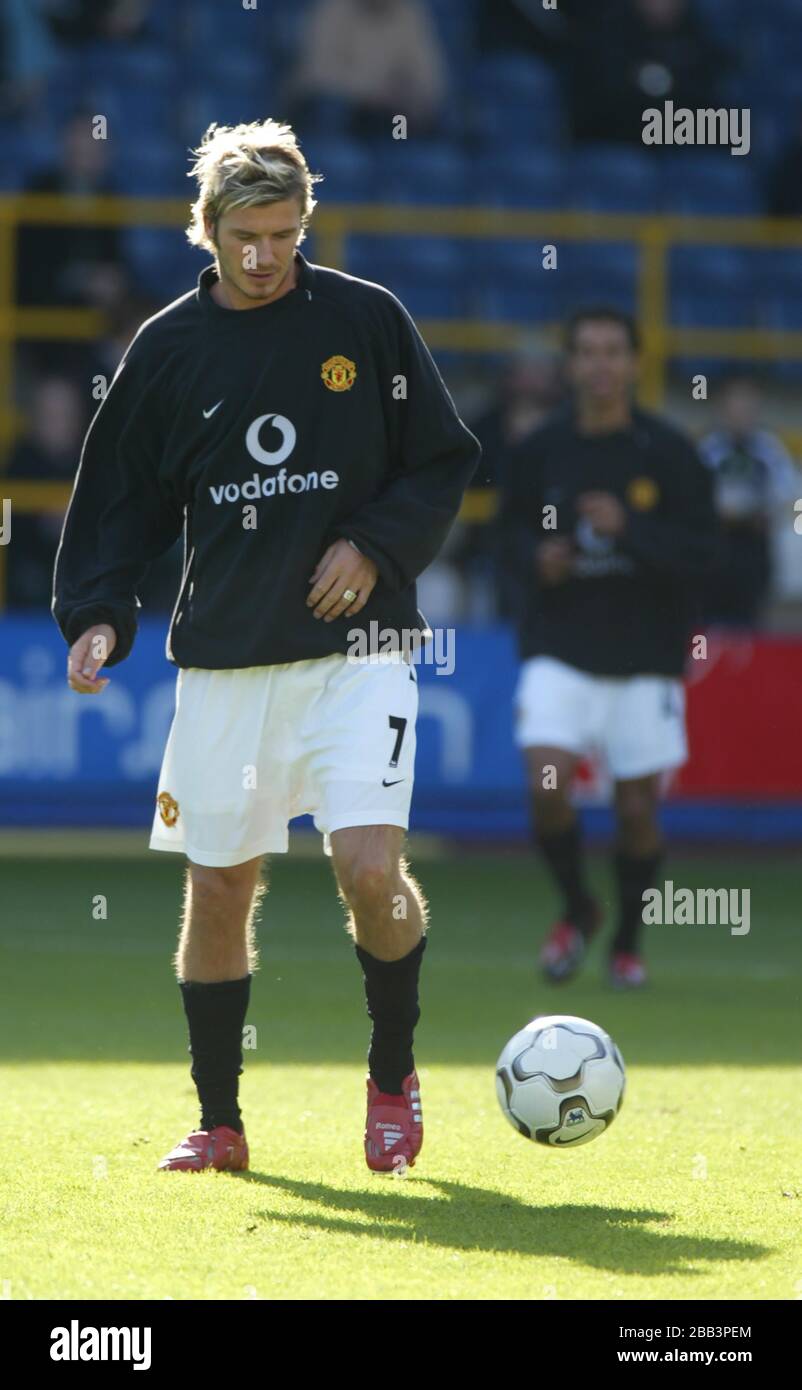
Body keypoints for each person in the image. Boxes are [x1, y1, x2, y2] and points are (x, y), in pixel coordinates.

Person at [52, 118, 480, 1174]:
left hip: (358, 651)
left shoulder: (366, 321)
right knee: (220, 886)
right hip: (227, 658)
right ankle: (220, 1121)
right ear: (204, 227)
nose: (264, 255)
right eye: (244, 234)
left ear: (305, 224)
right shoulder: (163, 351)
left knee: (369, 870)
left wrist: (374, 547)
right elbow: (119, 504)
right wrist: (100, 611)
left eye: (284, 233)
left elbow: (440, 459)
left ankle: (390, 1072)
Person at [500, 307, 715, 989]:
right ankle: (578, 907)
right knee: (547, 782)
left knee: (635, 810)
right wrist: (540, 557)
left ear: (633, 362)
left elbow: (705, 553)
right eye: (586, 351)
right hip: (560, 647)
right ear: (570, 364)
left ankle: (627, 938)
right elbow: (503, 538)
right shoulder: (541, 450)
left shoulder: (669, 452)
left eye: (612, 351)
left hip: (646, 653)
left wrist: (631, 531)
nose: (599, 364)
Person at [699, 373, 799, 627]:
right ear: (722, 407)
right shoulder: (709, 448)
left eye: (748, 403)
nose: (742, 410)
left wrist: (766, 513)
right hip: (716, 547)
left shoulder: (769, 448)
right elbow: (693, 498)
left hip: (753, 548)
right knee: (709, 622)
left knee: (750, 625)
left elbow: (789, 496)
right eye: (736, 402)